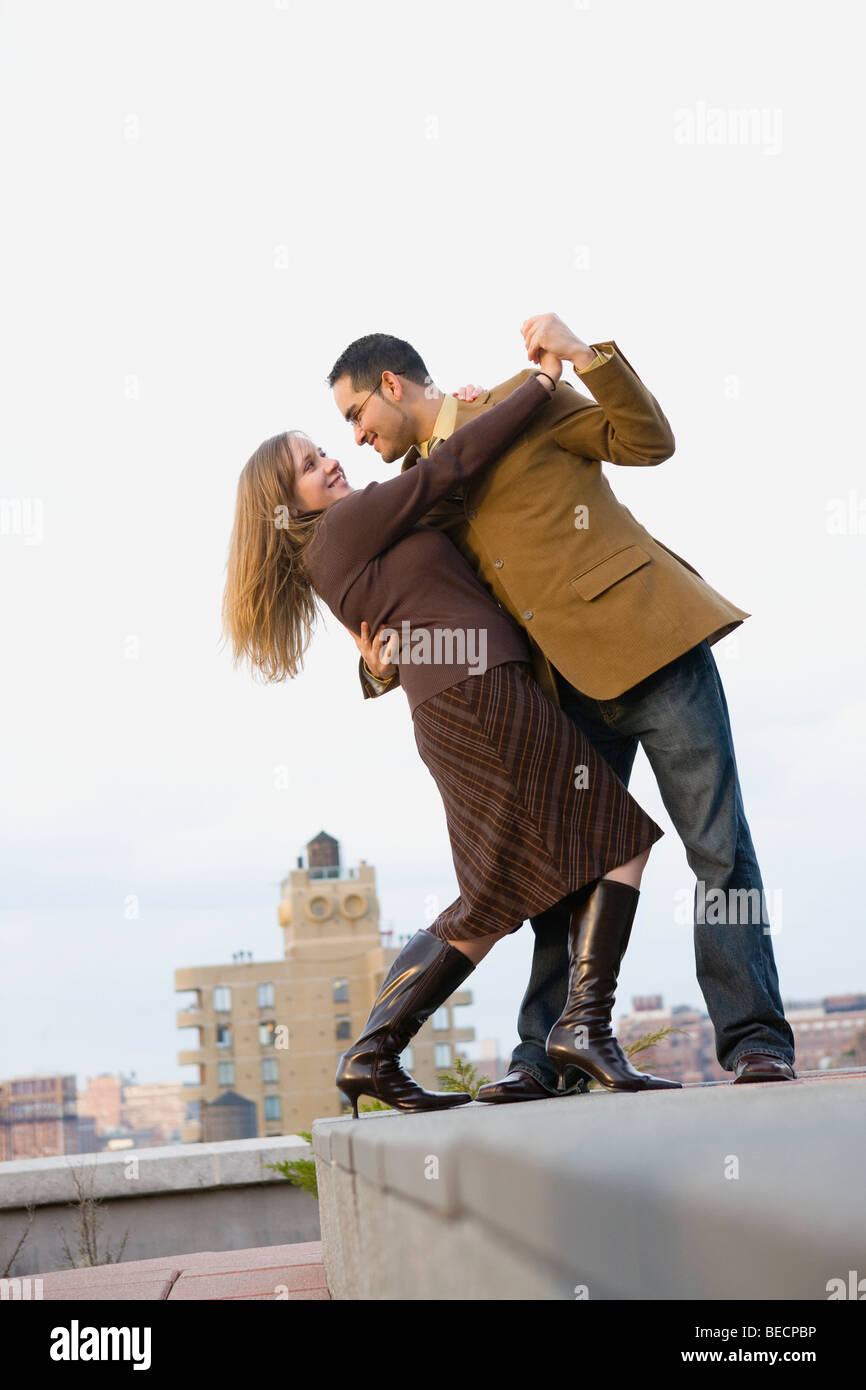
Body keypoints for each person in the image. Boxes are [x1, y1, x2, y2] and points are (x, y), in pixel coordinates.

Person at [328, 312, 796, 1099]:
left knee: (719, 850)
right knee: (564, 874)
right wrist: (379, 667)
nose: (356, 436)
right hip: (554, 690)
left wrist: (586, 357)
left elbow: (646, 441)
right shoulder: (418, 488)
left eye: (356, 415)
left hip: (652, 645)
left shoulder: (522, 400)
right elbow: (410, 590)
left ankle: (755, 1042)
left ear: (392, 383)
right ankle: (543, 1058)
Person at [221, 328, 680, 1118]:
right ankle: (581, 1026)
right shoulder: (344, 526)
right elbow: (451, 468)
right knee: (618, 842)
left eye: (323, 448)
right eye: (308, 463)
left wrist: (459, 410)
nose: (332, 458)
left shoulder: (342, 536)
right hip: (480, 698)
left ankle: (375, 1052)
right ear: (285, 499)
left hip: (463, 702)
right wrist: (536, 385)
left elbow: (440, 508)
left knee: (495, 891)